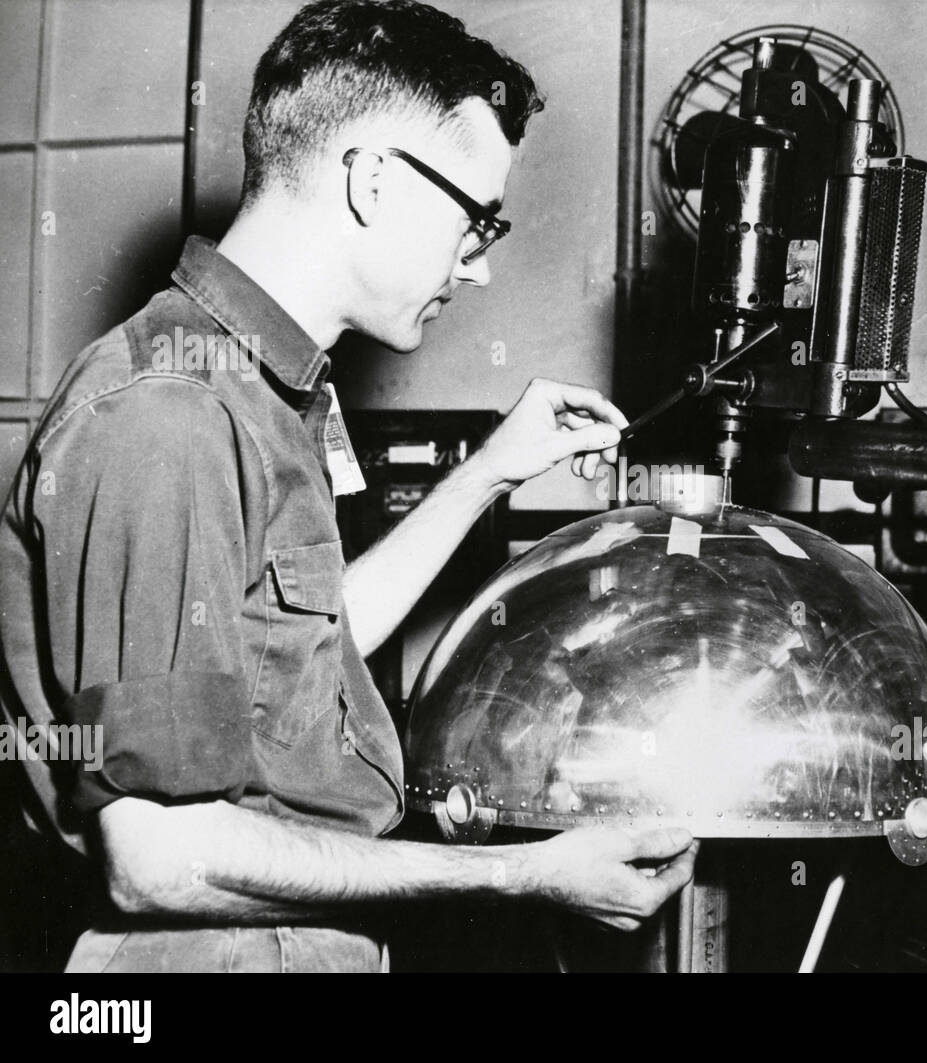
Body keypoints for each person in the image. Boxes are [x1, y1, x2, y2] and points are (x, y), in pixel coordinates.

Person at [0, 0, 695, 973]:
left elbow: (307, 650)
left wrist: (489, 471)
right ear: (372, 178)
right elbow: (157, 855)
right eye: (477, 218)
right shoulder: (169, 414)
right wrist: (526, 874)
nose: (483, 266)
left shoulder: (256, 391)